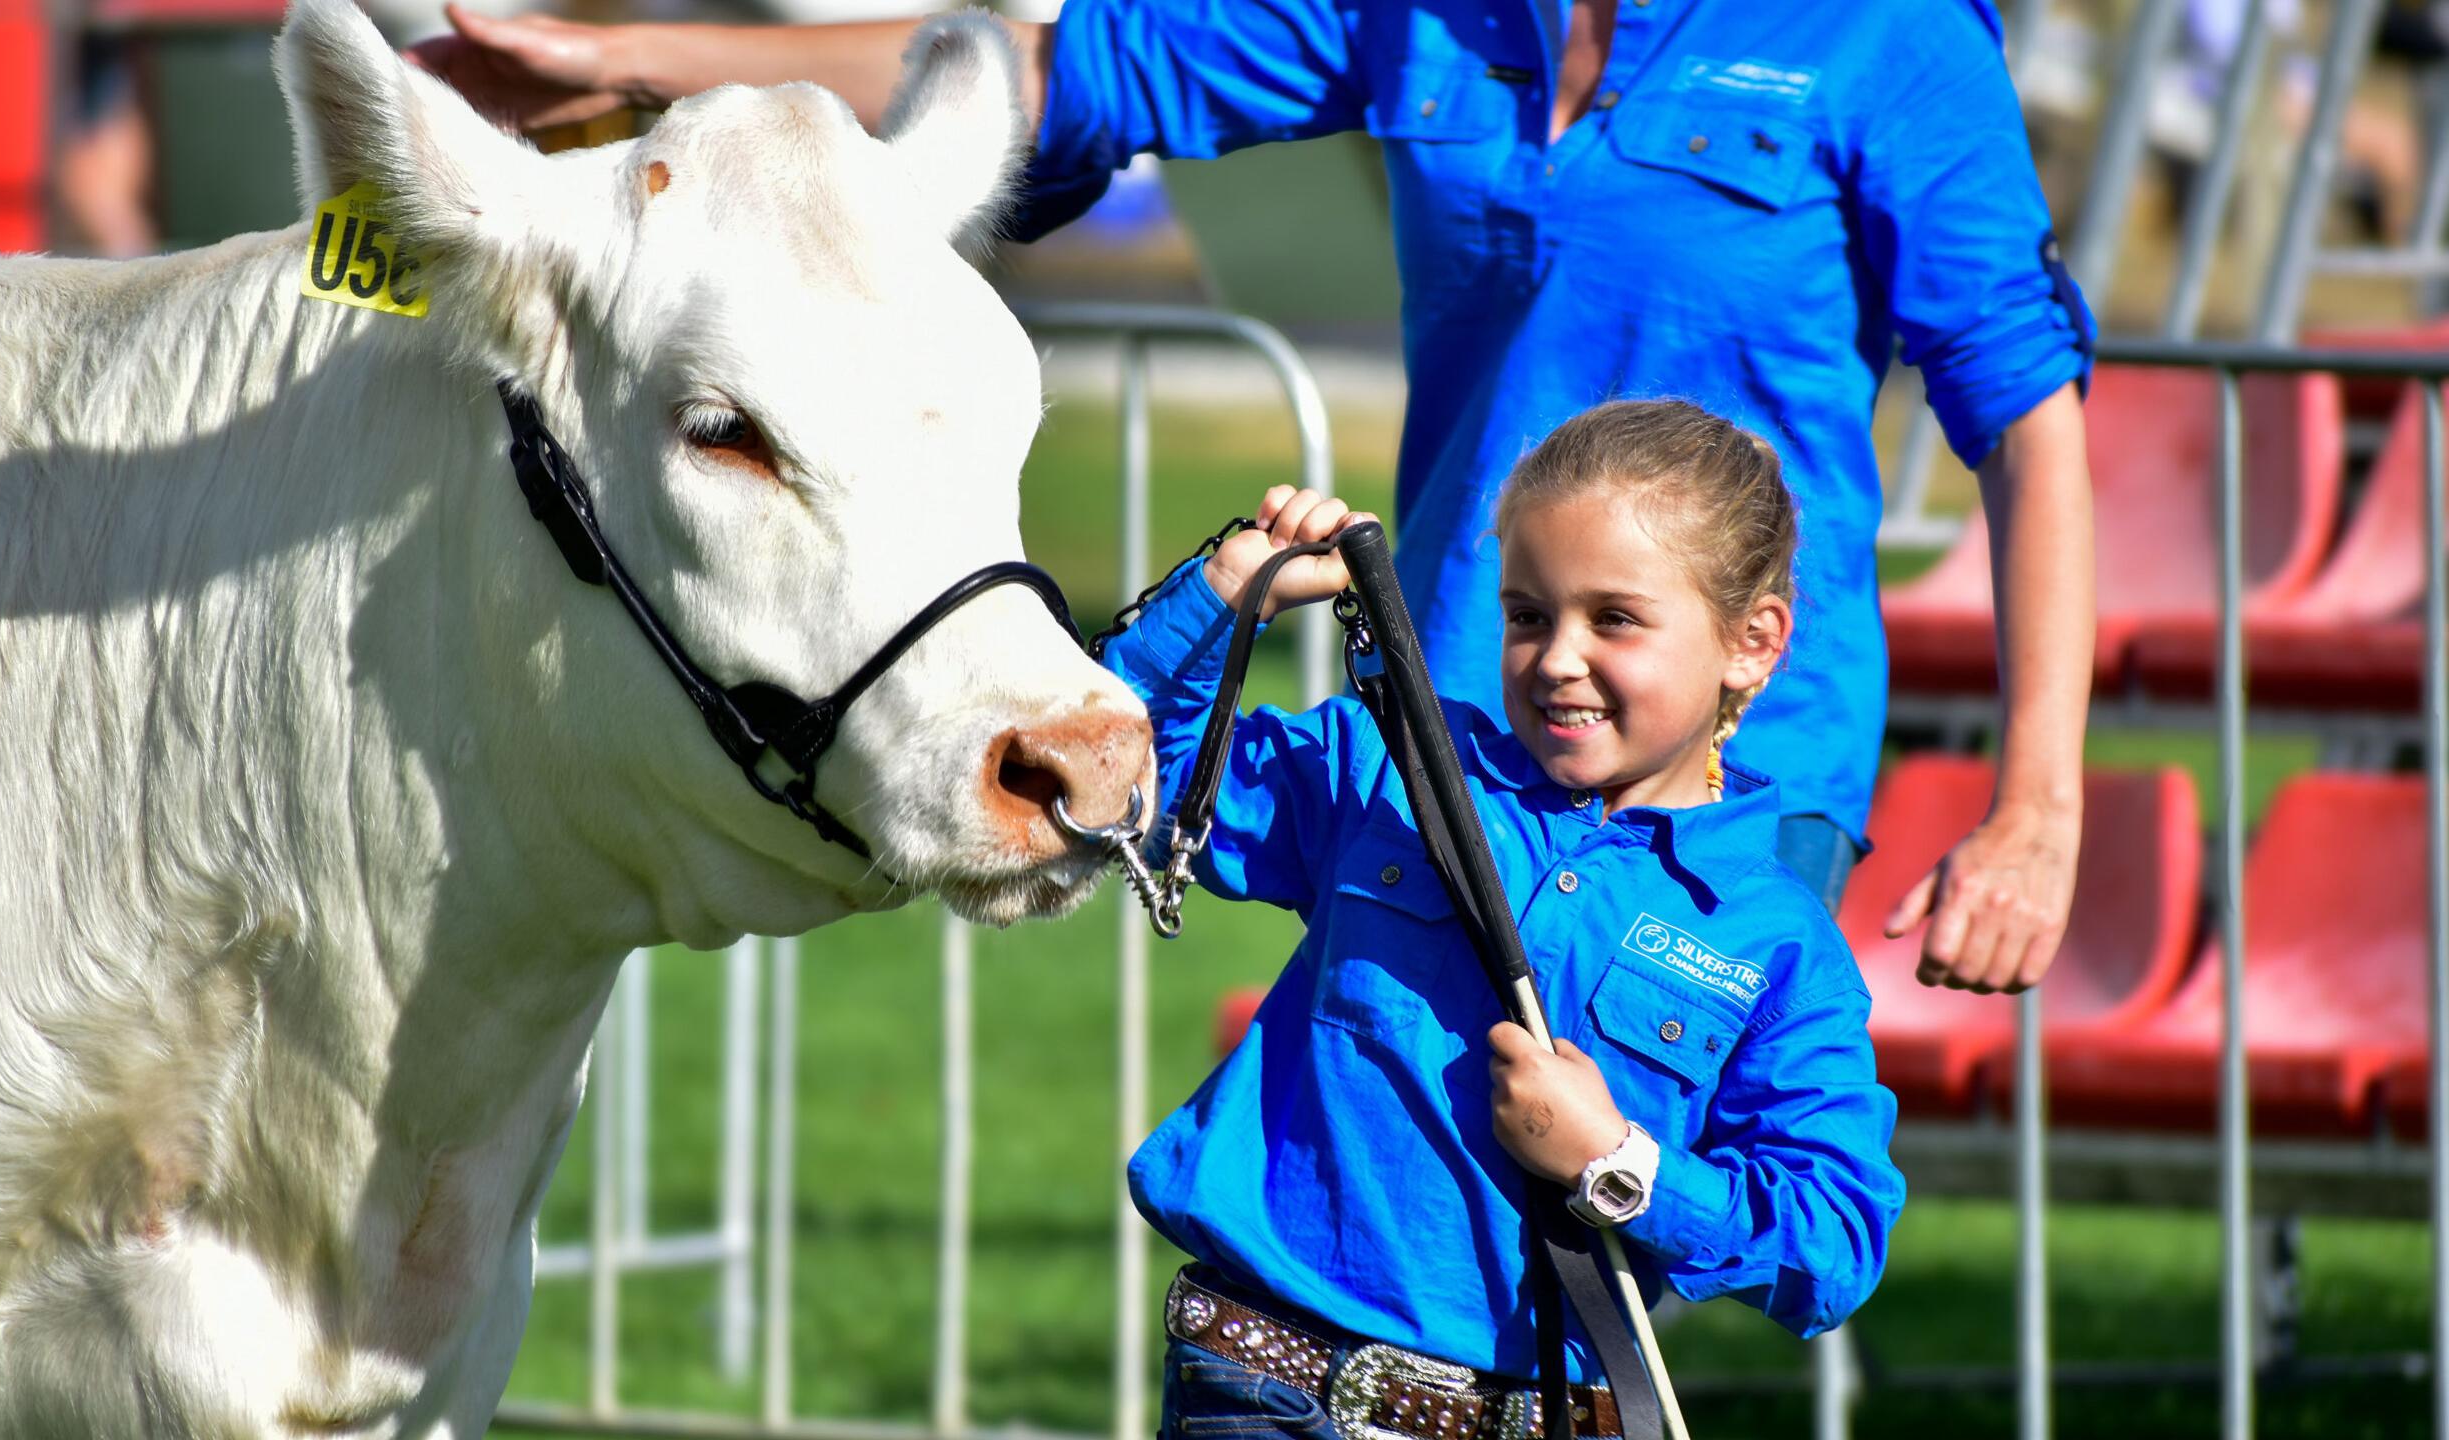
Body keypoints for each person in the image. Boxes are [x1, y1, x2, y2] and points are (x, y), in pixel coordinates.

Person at [410, 0, 2096, 997]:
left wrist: (2039, 810)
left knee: (1556, 1238)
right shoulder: (1431, 13)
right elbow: (1054, 68)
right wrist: (624, 56)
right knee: (1393, 1247)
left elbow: (2028, 419)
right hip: (1452, 731)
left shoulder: (1886, 36)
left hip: (1722, 765)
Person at [1093, 402, 1900, 1434]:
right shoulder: (1385, 766)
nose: (1557, 657)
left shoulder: (1777, 940)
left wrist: (1616, 1164)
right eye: (1527, 615)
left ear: (1752, 643)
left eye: (1613, 618)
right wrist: (1221, 598)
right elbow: (1123, 774)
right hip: (1259, 1385)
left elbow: (1832, 1243)